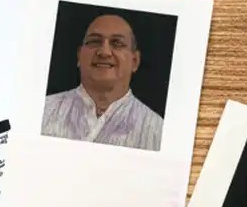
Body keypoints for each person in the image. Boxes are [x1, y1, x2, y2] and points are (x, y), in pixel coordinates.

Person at [40, 13, 164, 151]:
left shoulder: (157, 130)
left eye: (117, 43)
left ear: (134, 61)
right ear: (79, 56)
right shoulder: (42, 111)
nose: (104, 52)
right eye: (94, 42)